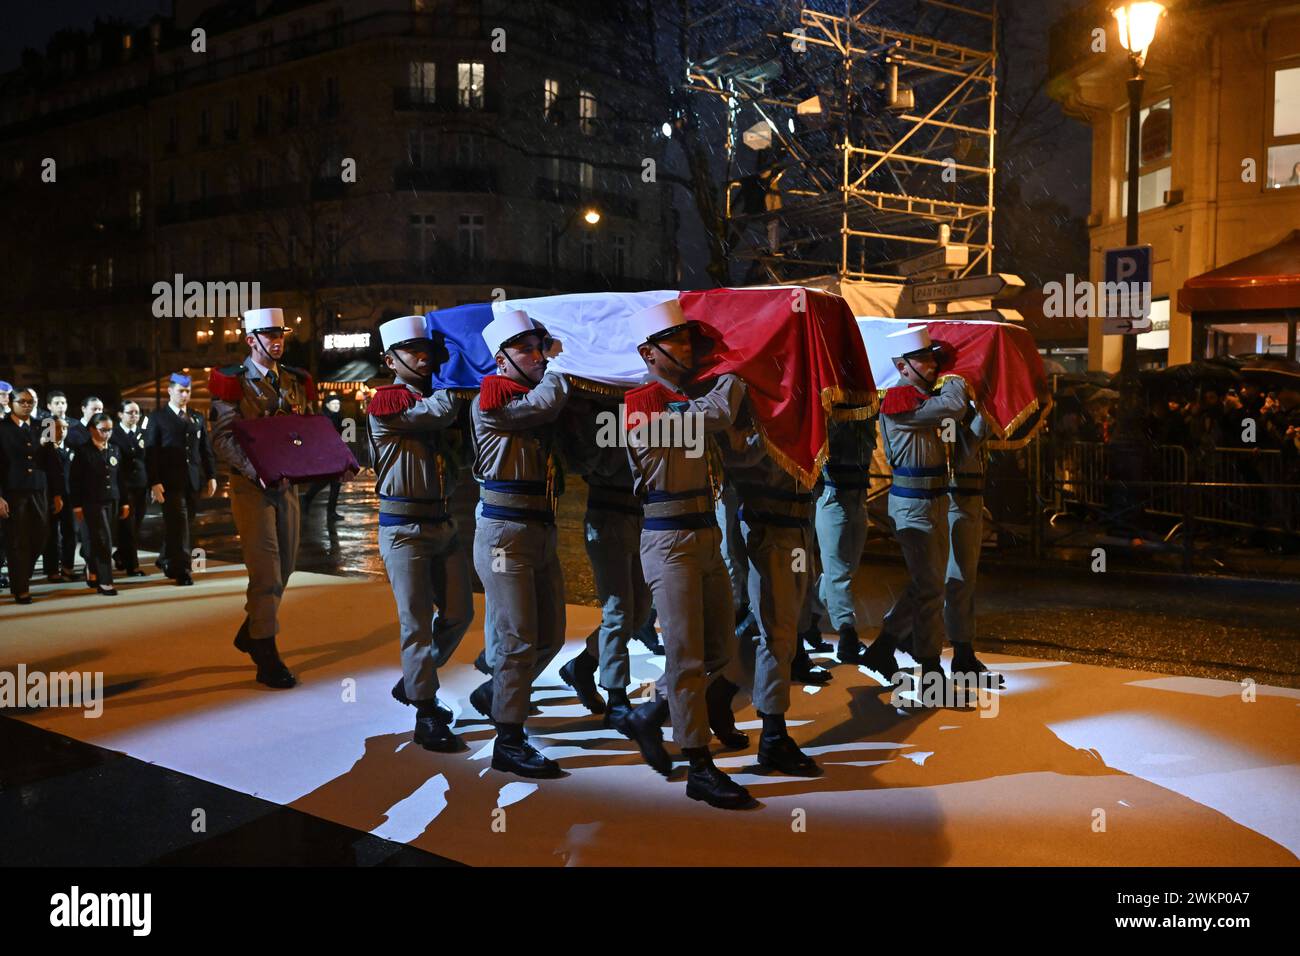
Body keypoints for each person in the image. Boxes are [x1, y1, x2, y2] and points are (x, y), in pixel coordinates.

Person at [623, 298, 755, 809]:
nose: (686, 349)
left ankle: (650, 714)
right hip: (668, 540)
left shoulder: (685, 401)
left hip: (704, 537)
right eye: (675, 341)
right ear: (648, 353)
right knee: (686, 656)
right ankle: (699, 766)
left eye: (688, 340)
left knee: (718, 650)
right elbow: (713, 415)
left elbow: (727, 437)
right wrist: (736, 371)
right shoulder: (641, 403)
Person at [468, 309, 572, 778]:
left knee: (550, 636)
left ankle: (496, 694)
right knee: (517, 640)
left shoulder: (529, 399)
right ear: (501, 359)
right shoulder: (492, 400)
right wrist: (564, 363)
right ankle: (508, 742)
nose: (537, 356)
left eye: (539, 347)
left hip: (540, 528)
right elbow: (546, 403)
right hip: (504, 533)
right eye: (526, 349)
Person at [368, 315, 474, 753]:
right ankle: (426, 714)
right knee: (416, 626)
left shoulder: (435, 403)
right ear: (390, 361)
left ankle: (415, 680)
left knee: (460, 614)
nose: (423, 356)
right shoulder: (388, 402)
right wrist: (456, 376)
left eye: (427, 349)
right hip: (404, 528)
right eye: (412, 351)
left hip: (442, 522)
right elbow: (439, 412)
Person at [857, 326, 971, 696]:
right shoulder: (899, 401)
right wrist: (958, 377)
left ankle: (885, 646)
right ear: (902, 367)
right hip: (913, 506)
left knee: (928, 583)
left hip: (933, 501)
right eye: (923, 360)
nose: (933, 365)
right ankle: (931, 671)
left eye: (934, 359)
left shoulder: (920, 399)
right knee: (931, 587)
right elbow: (953, 407)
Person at [553, 389, 665, 760]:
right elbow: (590, 462)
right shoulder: (594, 411)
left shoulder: (644, 406)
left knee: (639, 611)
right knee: (618, 610)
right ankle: (617, 697)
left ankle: (582, 666)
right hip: (607, 515)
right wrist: (624, 427)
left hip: (641, 517)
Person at [209, 307, 317, 689]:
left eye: (280, 334)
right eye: (269, 335)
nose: (277, 341)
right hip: (252, 487)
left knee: (285, 566)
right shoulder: (232, 382)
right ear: (251, 340)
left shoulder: (294, 380)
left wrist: (321, 460)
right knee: (266, 571)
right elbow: (222, 437)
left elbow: (306, 429)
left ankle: (253, 629)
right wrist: (257, 469)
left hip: (287, 485)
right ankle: (266, 653)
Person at [813, 410, 877, 663]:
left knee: (845, 569)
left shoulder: (866, 407)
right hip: (833, 494)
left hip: (858, 494)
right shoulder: (829, 407)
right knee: (838, 569)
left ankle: (808, 615)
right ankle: (847, 633)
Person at [145, 373, 216, 586]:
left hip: (192, 480)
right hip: (169, 481)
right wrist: (154, 481)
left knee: (184, 523)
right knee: (179, 525)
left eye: (188, 391)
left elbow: (205, 449)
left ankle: (165, 557)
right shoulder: (158, 418)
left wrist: (211, 475)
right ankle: (182, 569)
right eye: (180, 391)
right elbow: (151, 452)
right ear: (170, 391)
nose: (185, 395)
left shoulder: (196, 417)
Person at [0, 389, 65, 604]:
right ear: (11, 403)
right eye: (22, 401)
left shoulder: (44, 425)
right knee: (17, 539)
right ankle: (21, 588)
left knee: (41, 535)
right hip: (13, 491)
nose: (27, 405)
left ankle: (20, 573)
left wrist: (57, 493)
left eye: (31, 402)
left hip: (39, 489)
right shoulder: (2, 427)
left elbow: (52, 461)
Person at [69, 413, 127, 597]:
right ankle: (105, 581)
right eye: (103, 430)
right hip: (91, 502)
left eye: (110, 430)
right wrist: (77, 506)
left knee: (99, 539)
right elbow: (75, 480)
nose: (107, 433)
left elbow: (120, 478)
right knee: (104, 541)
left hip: (112, 499)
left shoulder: (115, 449)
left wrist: (125, 502)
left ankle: (92, 568)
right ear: (92, 430)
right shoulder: (83, 451)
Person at [110, 401, 149, 576]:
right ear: (120, 414)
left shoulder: (143, 433)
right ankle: (132, 565)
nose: (134, 416)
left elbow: (148, 459)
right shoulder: (113, 434)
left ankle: (120, 554)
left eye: (137, 412)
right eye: (130, 412)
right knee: (128, 525)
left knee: (136, 524)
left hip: (141, 485)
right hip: (123, 485)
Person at [42, 392, 77, 582]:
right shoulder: (46, 449)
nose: (61, 431)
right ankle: (51, 569)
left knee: (70, 531)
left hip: (69, 495)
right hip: (51, 495)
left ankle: (67, 566)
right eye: (57, 428)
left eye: (64, 428)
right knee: (51, 533)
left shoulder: (71, 448)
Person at [303, 393, 345, 521]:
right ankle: (308, 498)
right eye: (334, 404)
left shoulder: (339, 418)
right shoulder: (323, 419)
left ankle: (330, 511)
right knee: (326, 481)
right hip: (326, 454)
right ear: (327, 405)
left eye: (338, 404)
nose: (337, 406)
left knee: (335, 483)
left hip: (336, 453)